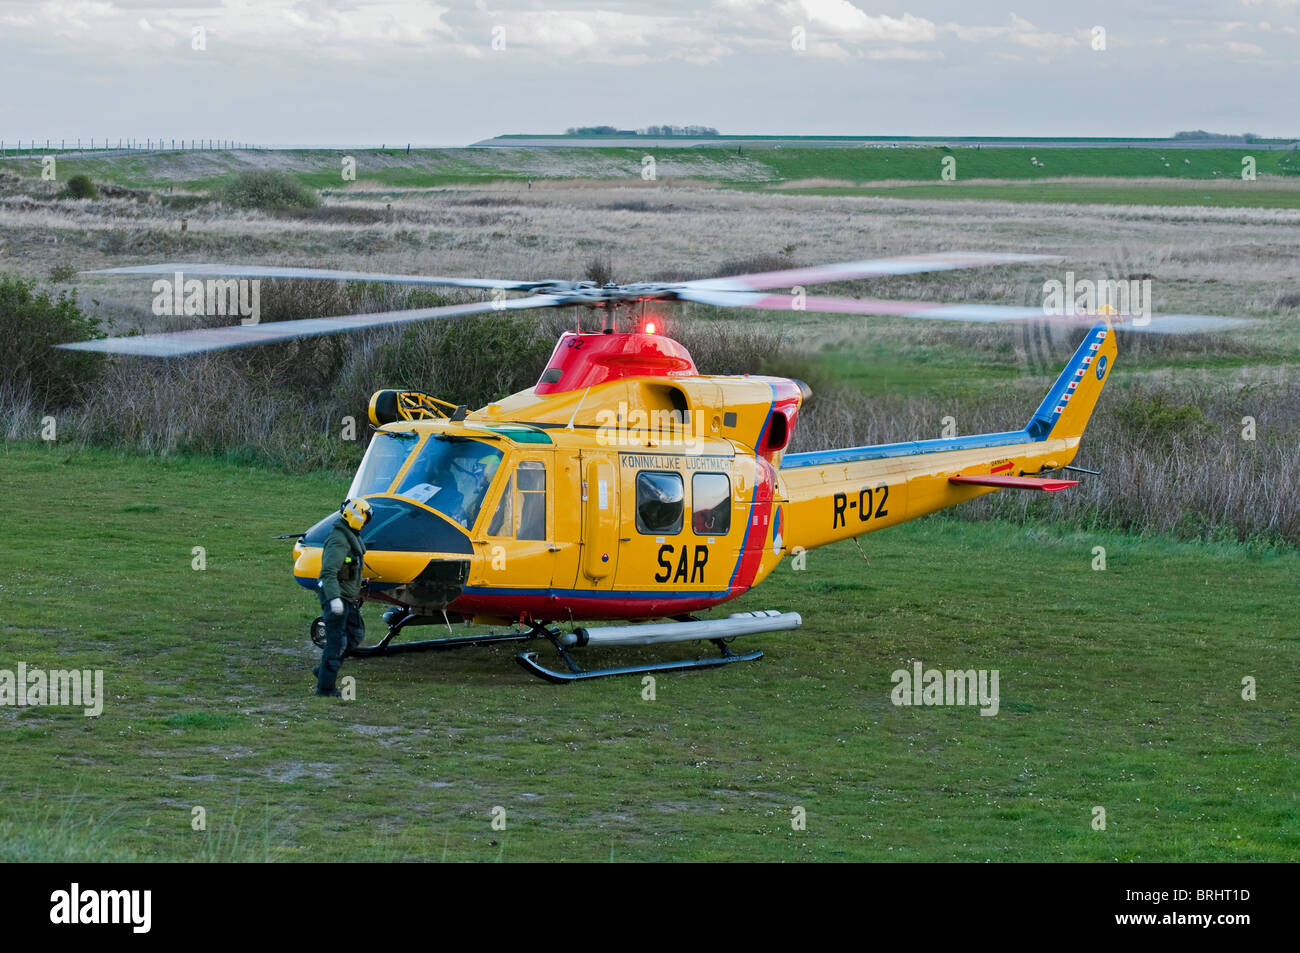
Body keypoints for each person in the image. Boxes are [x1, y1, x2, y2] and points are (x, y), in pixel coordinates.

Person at [314, 498, 371, 697]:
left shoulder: (351, 536)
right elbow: (328, 573)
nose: (365, 523)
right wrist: (334, 599)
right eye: (365, 519)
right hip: (336, 596)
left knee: (355, 635)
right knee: (336, 643)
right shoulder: (339, 540)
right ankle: (325, 689)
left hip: (346, 596)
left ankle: (323, 672)